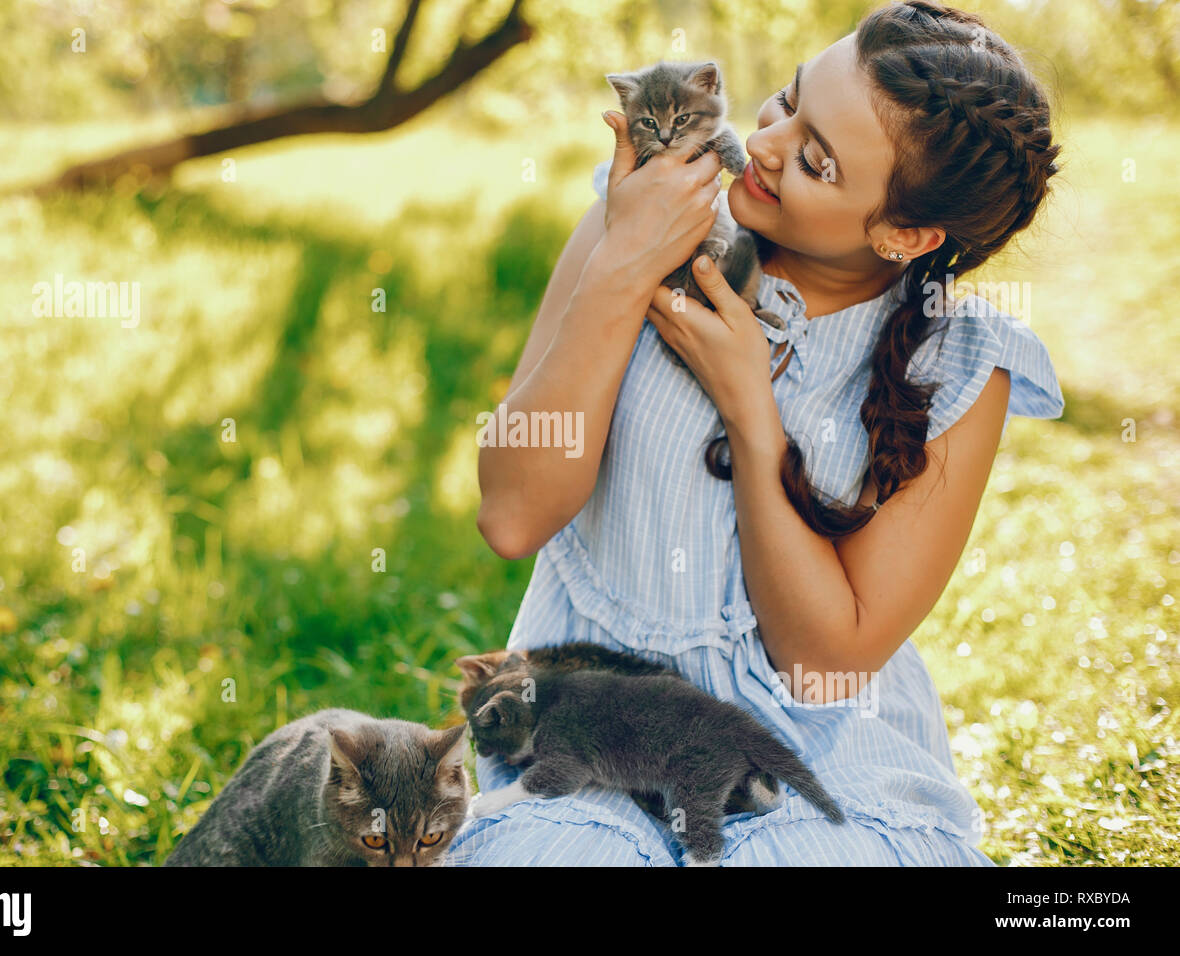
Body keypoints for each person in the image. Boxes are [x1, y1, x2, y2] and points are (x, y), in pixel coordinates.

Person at [448, 0, 1064, 866]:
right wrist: (624, 260)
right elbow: (513, 515)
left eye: (815, 161)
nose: (763, 145)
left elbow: (825, 664)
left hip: (822, 750)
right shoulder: (647, 221)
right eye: (785, 100)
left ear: (905, 233)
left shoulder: (960, 366)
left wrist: (749, 405)